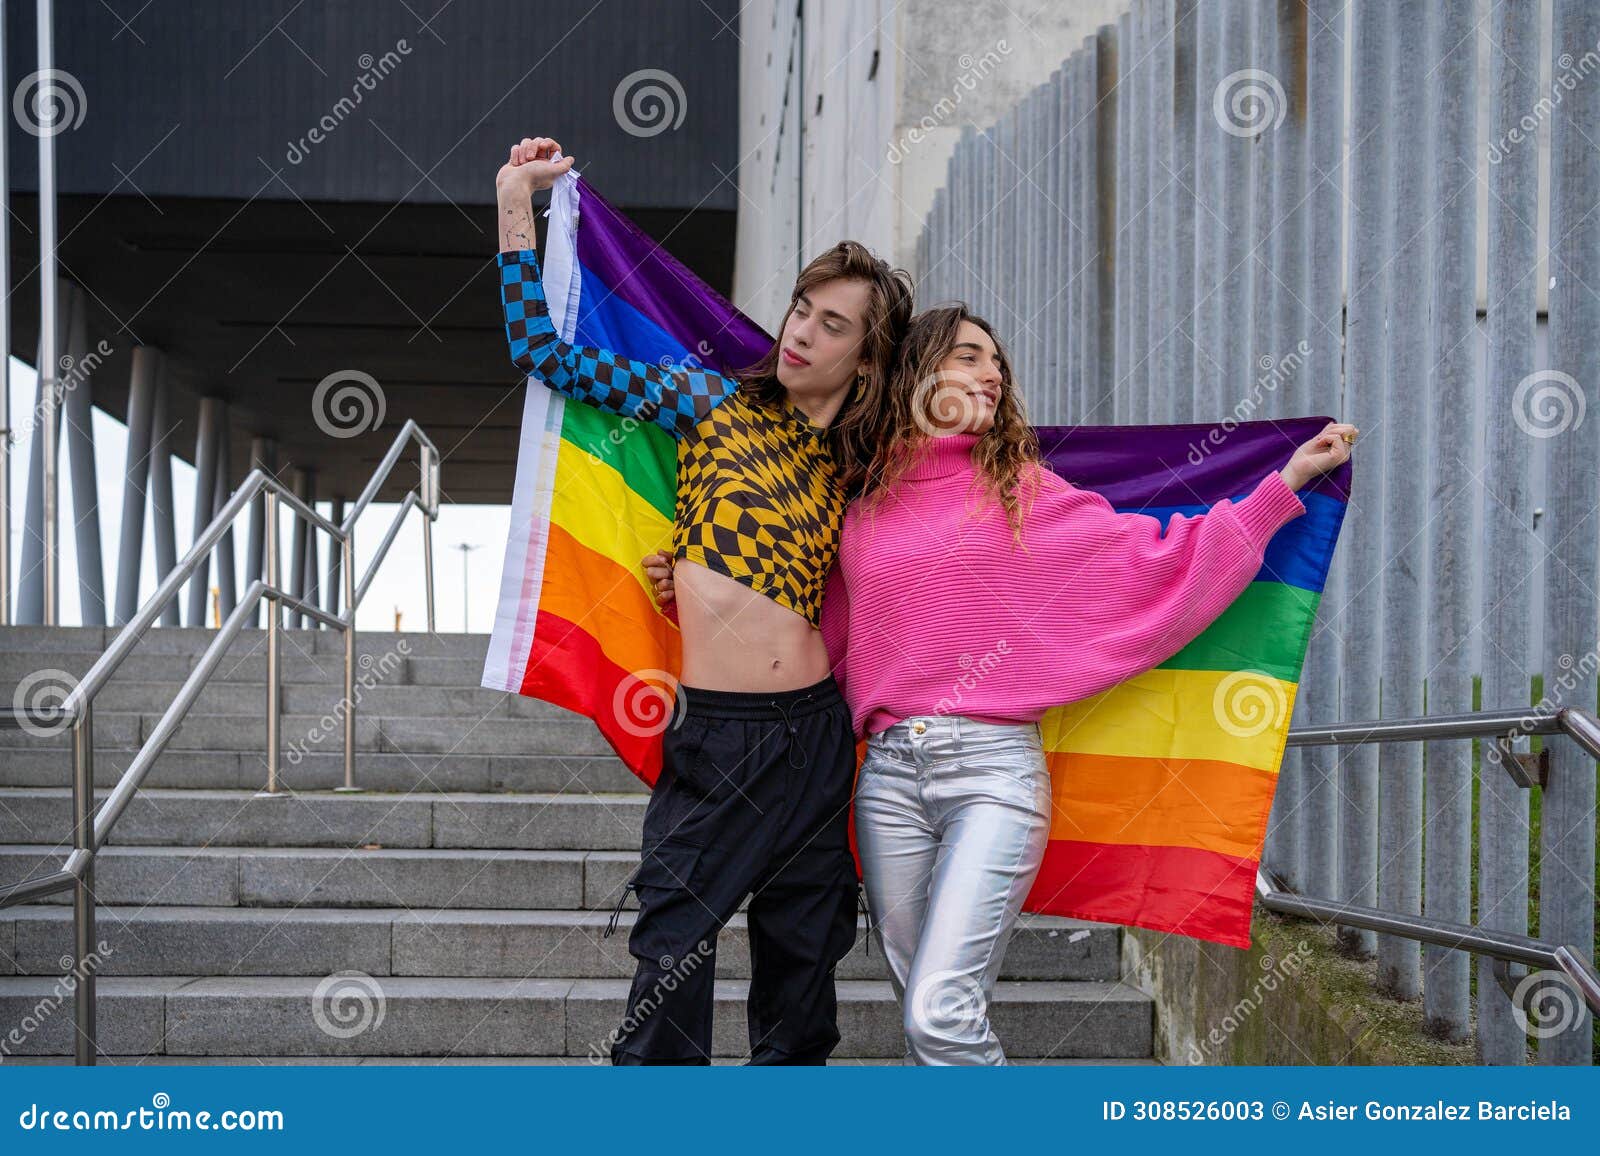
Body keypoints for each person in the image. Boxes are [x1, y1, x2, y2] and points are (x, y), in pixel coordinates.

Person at [644, 303, 1357, 1064]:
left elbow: (1156, 561)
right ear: (918, 374)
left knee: (938, 1016)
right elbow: (813, 632)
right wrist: (692, 582)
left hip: (993, 776)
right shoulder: (861, 502)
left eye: (996, 364)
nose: (992, 374)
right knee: (928, 1009)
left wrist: (1285, 484)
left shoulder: (1023, 489)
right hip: (886, 783)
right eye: (970, 357)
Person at [494, 136, 914, 1064]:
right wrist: (516, 199)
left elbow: (989, 486)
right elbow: (540, 351)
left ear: (868, 359)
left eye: (833, 325)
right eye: (802, 309)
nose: (802, 331)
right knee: (671, 948)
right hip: (715, 730)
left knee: (802, 969)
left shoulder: (868, 462)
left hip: (815, 736)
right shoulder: (708, 400)